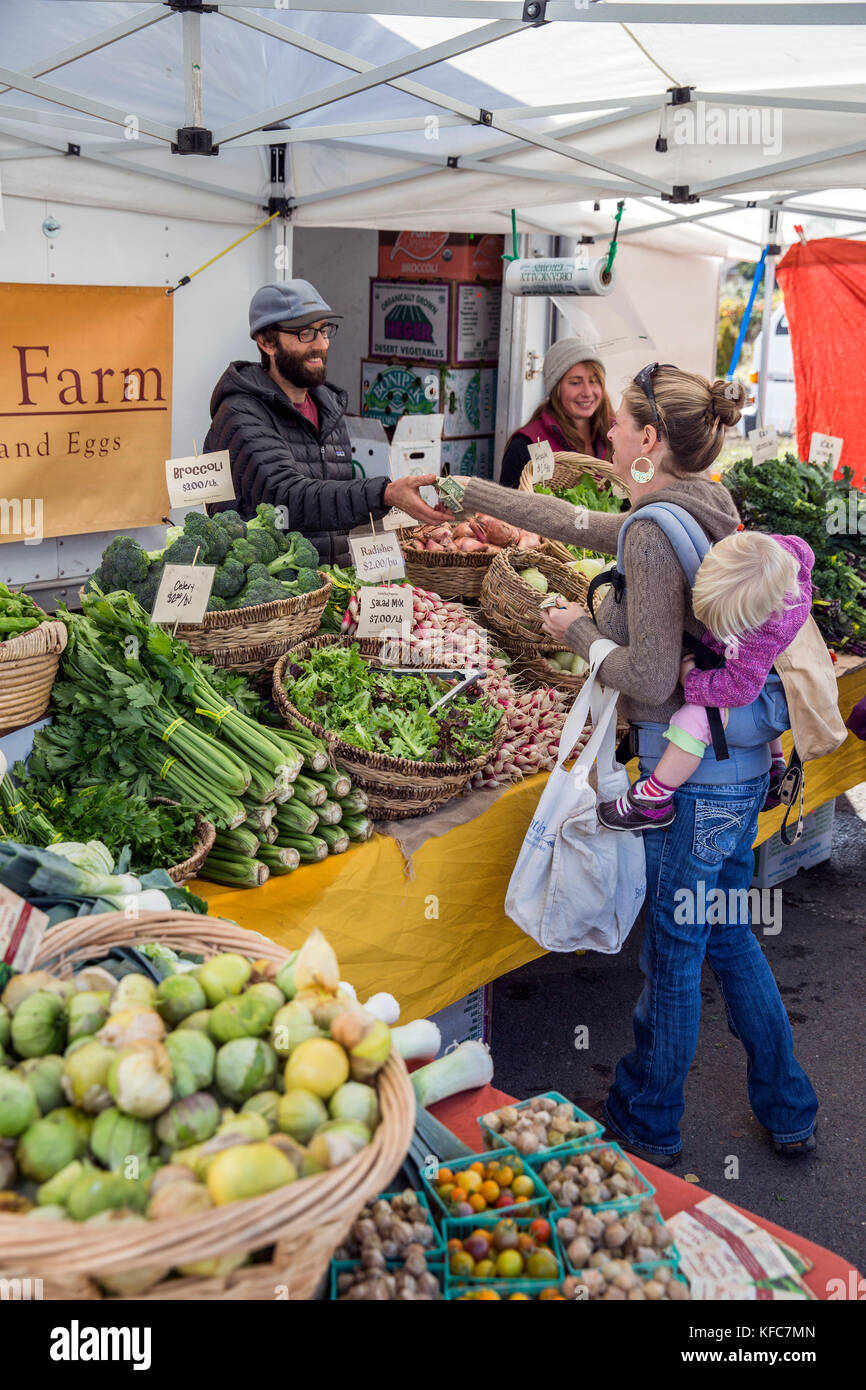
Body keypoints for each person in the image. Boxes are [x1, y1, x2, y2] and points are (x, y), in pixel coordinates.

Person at [441, 363, 818, 1166]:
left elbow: (648, 677)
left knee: (676, 953)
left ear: (648, 440)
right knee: (728, 937)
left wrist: (575, 629)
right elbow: (573, 520)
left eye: (618, 422)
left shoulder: (652, 534)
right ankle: (789, 1108)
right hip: (740, 760)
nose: (605, 431)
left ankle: (648, 1123)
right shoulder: (704, 499)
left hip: (687, 777)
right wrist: (460, 491)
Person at [204, 281, 442, 565]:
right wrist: (385, 494)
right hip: (277, 596)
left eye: (324, 330)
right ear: (267, 342)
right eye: (306, 333)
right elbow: (288, 497)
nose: (322, 344)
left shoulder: (329, 409)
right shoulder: (241, 414)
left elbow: (334, 504)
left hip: (331, 588)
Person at [597, 529, 815, 831]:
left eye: (724, 622)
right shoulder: (779, 553)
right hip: (770, 677)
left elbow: (737, 690)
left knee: (694, 719)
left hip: (745, 677)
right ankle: (775, 767)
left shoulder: (764, 632)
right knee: (768, 690)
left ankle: (655, 799)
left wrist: (691, 680)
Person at [498, 338, 613, 488]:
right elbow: (507, 506)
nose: (587, 392)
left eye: (594, 381)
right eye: (575, 382)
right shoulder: (529, 444)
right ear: (556, 389)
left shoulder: (617, 435)